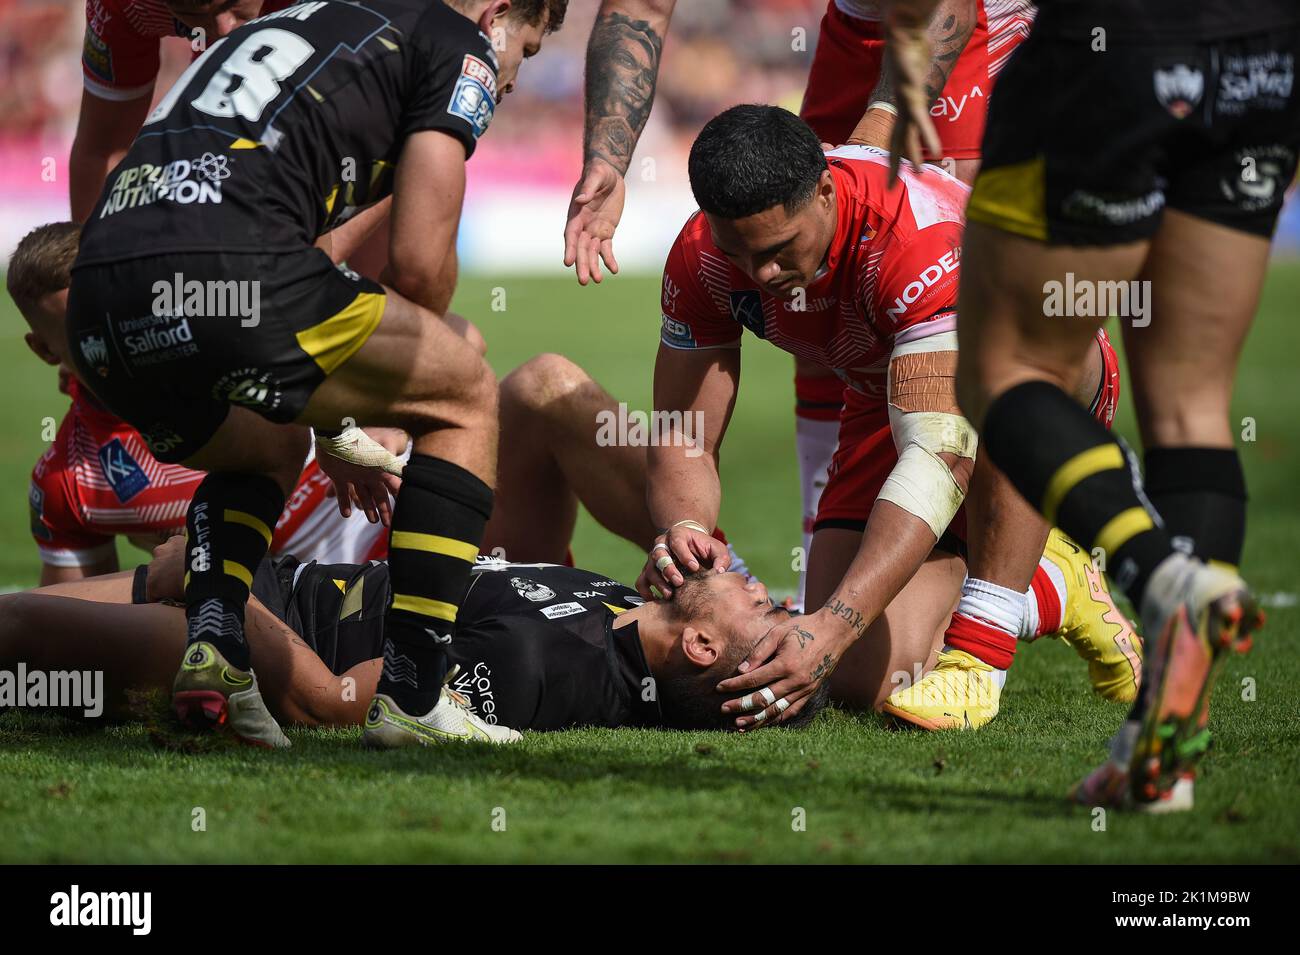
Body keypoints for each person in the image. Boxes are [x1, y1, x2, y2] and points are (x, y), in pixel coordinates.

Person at [66, 0, 568, 749]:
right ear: (496, 17)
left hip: (98, 303)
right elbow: (421, 265)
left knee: (265, 442)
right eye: (524, 51)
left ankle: (218, 651)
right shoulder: (459, 43)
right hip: (227, 272)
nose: (513, 81)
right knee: (462, 386)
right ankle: (414, 697)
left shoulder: (305, 17)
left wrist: (328, 416)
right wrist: (389, 391)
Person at [882, 0, 1296, 807]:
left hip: (1114, 45)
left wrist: (905, 31)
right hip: (1263, 53)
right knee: (1192, 408)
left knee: (1004, 372)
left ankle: (1158, 572)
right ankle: (1161, 761)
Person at [644, 105, 1136, 730]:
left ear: (824, 192)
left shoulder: (915, 238)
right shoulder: (702, 258)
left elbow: (940, 453)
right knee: (860, 681)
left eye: (776, 250)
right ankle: (1050, 584)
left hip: (1032, 371)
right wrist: (684, 527)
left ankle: (982, 652)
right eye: (735, 251)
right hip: (887, 397)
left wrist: (833, 623)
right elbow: (684, 433)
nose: (760, 275)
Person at [0, 538, 820, 735]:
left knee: (14, 631)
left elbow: (332, 698)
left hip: (240, 639)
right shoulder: (617, 604)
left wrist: (222, 585)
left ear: (705, 648)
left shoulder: (537, 667)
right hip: (275, 581)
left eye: (772, 613)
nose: (772, 590)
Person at [7, 221, 392, 586]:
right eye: (80, 337)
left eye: (108, 317)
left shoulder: (223, 318)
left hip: (387, 536)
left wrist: (384, 414)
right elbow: (79, 626)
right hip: (281, 613)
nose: (106, 340)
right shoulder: (72, 478)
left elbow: (321, 259)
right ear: (44, 349)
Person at [72, 0, 294, 222]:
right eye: (190, 14)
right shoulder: (124, 4)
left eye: (233, 2)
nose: (224, 28)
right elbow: (103, 152)